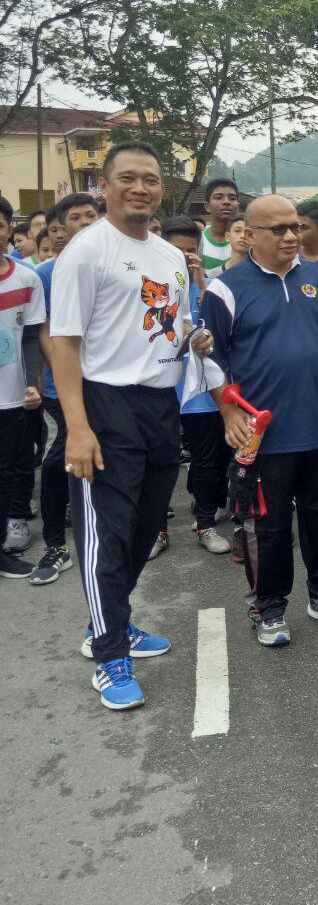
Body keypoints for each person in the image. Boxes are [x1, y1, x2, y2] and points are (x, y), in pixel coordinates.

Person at [46, 143, 212, 710]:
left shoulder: (167, 254)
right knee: (104, 535)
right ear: (106, 186)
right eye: (128, 179)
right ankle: (108, 653)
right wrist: (77, 427)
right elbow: (63, 343)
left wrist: (195, 339)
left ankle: (115, 619)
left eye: (150, 179)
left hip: (160, 406)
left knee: (145, 526)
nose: (140, 188)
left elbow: (172, 325)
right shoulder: (86, 252)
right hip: (104, 405)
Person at [203, 194, 318, 647]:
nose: (292, 236)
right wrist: (228, 410)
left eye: (296, 227)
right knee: (266, 528)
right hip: (262, 436)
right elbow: (213, 359)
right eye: (279, 229)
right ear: (251, 235)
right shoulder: (226, 290)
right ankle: (268, 608)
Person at [30, 192, 101, 584]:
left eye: (91, 215)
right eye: (74, 218)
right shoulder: (46, 274)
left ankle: (105, 534)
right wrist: (53, 374)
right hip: (61, 389)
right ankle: (56, 545)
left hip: (107, 387)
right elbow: (44, 331)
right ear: (59, 229)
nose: (84, 223)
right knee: (60, 461)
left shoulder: (112, 265)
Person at [161, 216, 232, 556]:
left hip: (201, 392)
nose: (185, 257)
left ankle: (205, 525)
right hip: (160, 389)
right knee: (160, 461)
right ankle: (157, 530)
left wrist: (200, 277)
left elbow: (211, 321)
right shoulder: (149, 286)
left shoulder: (207, 287)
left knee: (207, 461)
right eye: (178, 250)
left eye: (191, 250)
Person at [0, 196, 45, 579]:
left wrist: (33, 384)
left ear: (9, 232)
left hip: (12, 398)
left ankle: (2, 547)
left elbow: (31, 337)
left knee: (11, 471)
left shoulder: (26, 279)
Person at [200, 178, 240, 277]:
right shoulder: (197, 240)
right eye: (218, 197)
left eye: (232, 198)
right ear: (207, 206)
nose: (226, 202)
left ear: (238, 206)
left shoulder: (248, 241)